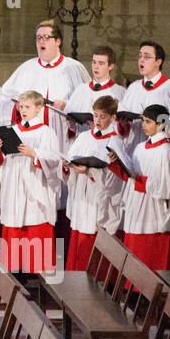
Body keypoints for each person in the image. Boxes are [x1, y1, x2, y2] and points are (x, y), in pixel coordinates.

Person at [0, 90, 64, 273]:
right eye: (21, 106)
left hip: (34, 184)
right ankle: (15, 274)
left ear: (39, 108)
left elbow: (55, 160)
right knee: (14, 226)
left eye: (28, 107)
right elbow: (0, 161)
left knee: (34, 226)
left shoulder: (46, 132)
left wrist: (35, 154)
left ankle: (38, 276)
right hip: (14, 185)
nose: (23, 110)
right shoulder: (12, 130)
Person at [112, 105, 170, 271]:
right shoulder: (140, 147)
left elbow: (165, 186)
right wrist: (115, 163)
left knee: (151, 262)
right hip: (136, 207)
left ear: (161, 124)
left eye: (148, 122)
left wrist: (136, 178)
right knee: (133, 260)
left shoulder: (165, 151)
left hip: (153, 212)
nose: (143, 125)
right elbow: (129, 176)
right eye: (143, 121)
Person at [1, 21, 90, 152]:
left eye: (46, 37)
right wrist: (18, 105)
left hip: (63, 131)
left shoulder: (74, 68)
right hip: (34, 137)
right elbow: (6, 98)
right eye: (38, 38)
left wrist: (67, 107)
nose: (41, 41)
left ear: (58, 41)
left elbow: (88, 103)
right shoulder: (26, 68)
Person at [63, 95, 129, 271]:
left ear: (113, 118)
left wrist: (89, 172)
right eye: (95, 115)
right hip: (81, 196)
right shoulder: (84, 137)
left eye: (102, 116)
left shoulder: (115, 141)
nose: (97, 120)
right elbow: (71, 159)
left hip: (98, 200)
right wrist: (68, 166)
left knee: (93, 243)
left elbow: (117, 178)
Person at [118, 41, 170, 151]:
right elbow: (124, 125)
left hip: (160, 152)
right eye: (140, 56)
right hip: (135, 150)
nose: (141, 60)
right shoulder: (133, 88)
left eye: (146, 57)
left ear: (158, 62)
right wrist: (123, 124)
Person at [62, 45, 126, 139]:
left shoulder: (119, 92)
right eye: (94, 62)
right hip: (83, 144)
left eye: (101, 63)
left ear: (111, 66)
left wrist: (99, 129)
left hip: (106, 146)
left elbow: (125, 128)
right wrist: (72, 126)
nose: (96, 67)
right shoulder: (81, 90)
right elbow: (68, 120)